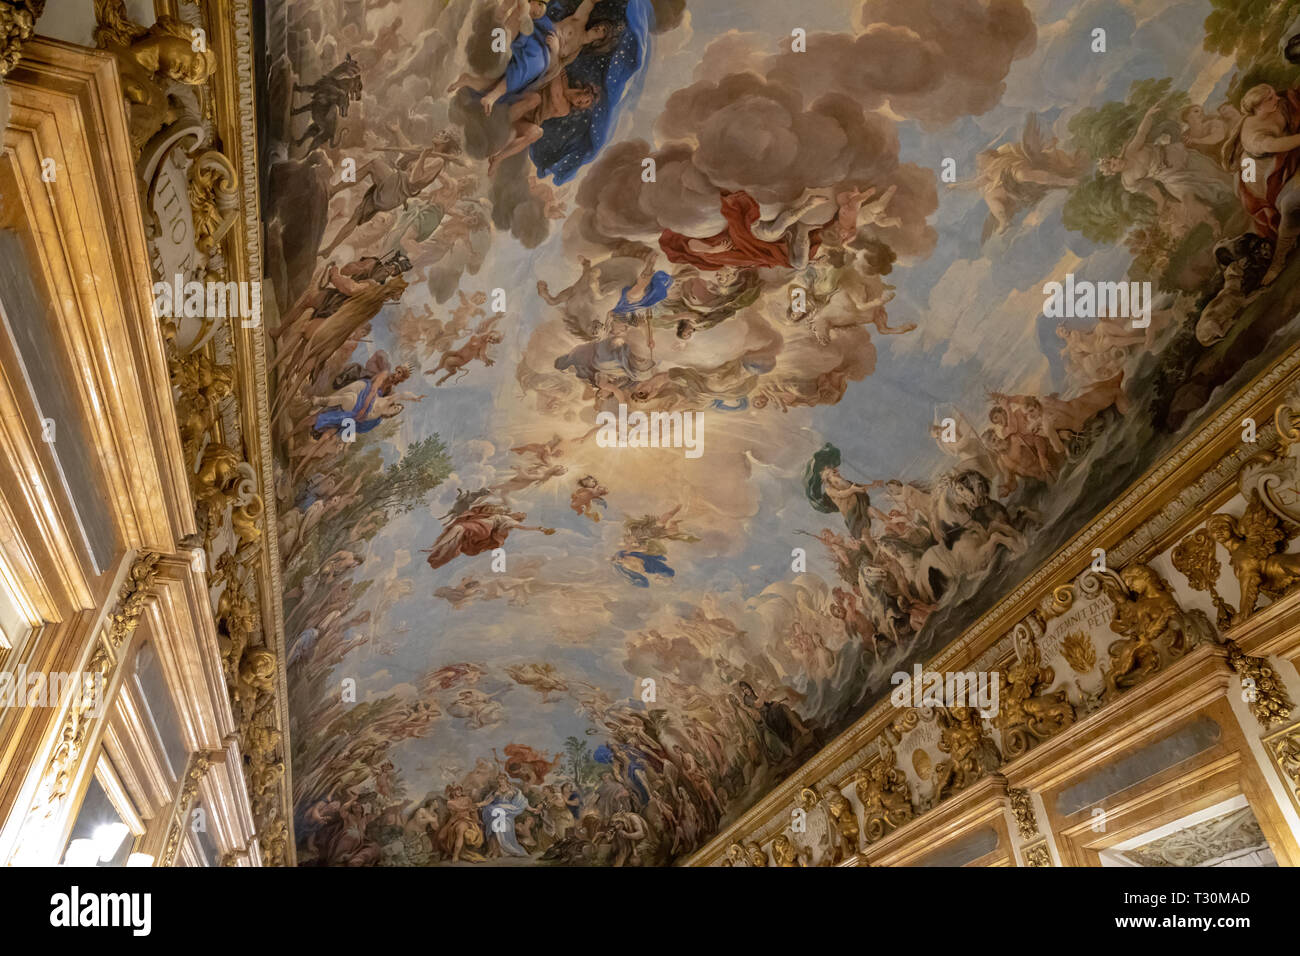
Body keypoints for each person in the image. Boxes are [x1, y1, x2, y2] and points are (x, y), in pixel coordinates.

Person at [1224, 84, 1300, 284]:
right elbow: (1279, 145)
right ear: (1258, 107)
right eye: (1270, 98)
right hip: (1267, 180)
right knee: (1290, 204)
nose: (1277, 98)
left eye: (1274, 94)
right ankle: (1278, 261)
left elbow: (1291, 99)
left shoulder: (1276, 106)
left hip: (1280, 162)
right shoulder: (1256, 138)